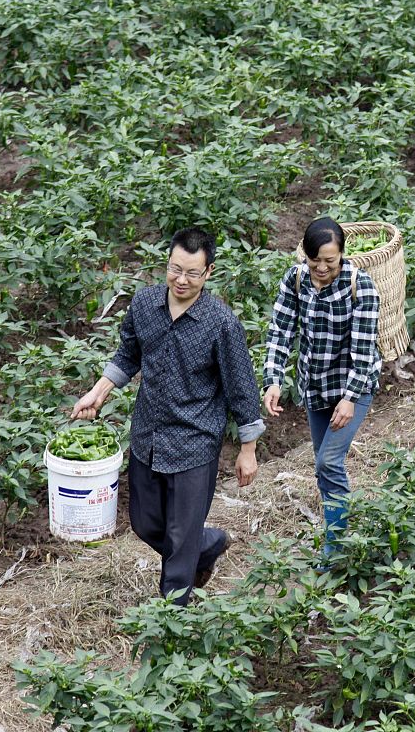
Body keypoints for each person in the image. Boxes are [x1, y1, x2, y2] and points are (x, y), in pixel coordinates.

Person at [70, 227, 263, 604]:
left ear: (208, 273)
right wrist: (98, 393)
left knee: (178, 540)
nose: (181, 279)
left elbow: (242, 385)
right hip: (148, 436)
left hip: (195, 441)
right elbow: (128, 355)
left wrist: (248, 447)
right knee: (145, 524)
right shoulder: (144, 305)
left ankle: (170, 620)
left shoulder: (221, 324)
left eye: (192, 273)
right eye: (175, 269)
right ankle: (205, 544)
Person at [261, 217, 381, 558]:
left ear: (342, 254)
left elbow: (364, 351)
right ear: (305, 255)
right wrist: (273, 380)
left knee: (329, 461)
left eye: (331, 261)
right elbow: (280, 332)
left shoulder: (361, 286)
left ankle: (337, 549)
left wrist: (350, 398)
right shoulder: (296, 280)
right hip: (315, 386)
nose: (323, 268)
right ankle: (338, 529)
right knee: (322, 465)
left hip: (352, 386)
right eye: (317, 262)